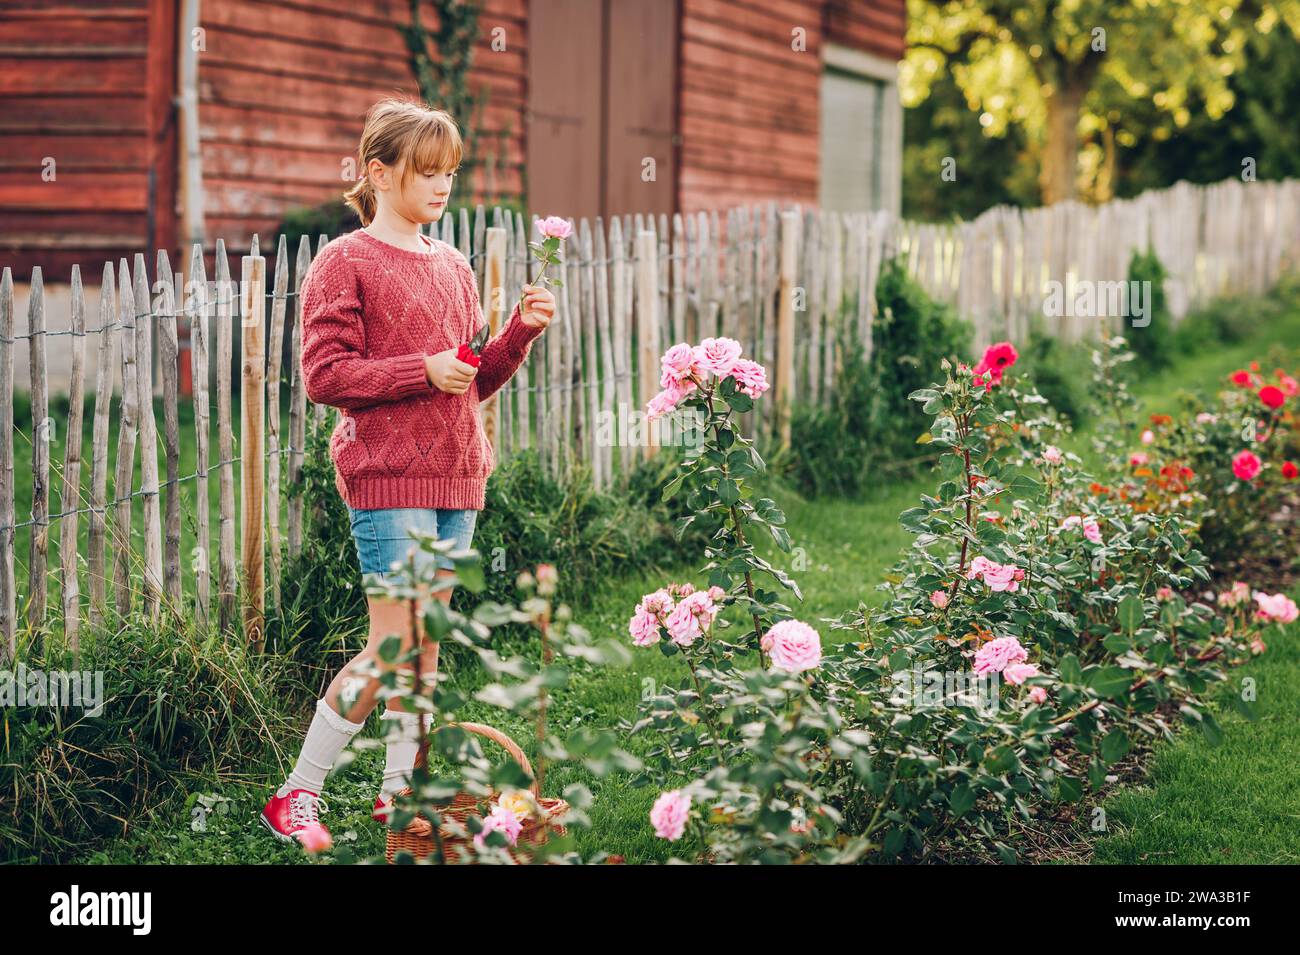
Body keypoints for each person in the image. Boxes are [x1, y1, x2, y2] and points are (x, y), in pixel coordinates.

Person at [260, 97, 555, 844]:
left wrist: (517, 333)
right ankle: (296, 793)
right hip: (387, 476)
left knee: (423, 645)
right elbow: (326, 376)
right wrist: (420, 370)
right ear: (377, 171)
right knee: (393, 644)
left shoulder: (453, 264)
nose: (441, 184)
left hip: (458, 476)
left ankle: (398, 795)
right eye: (426, 170)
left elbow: (472, 379)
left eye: (449, 171)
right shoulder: (344, 260)